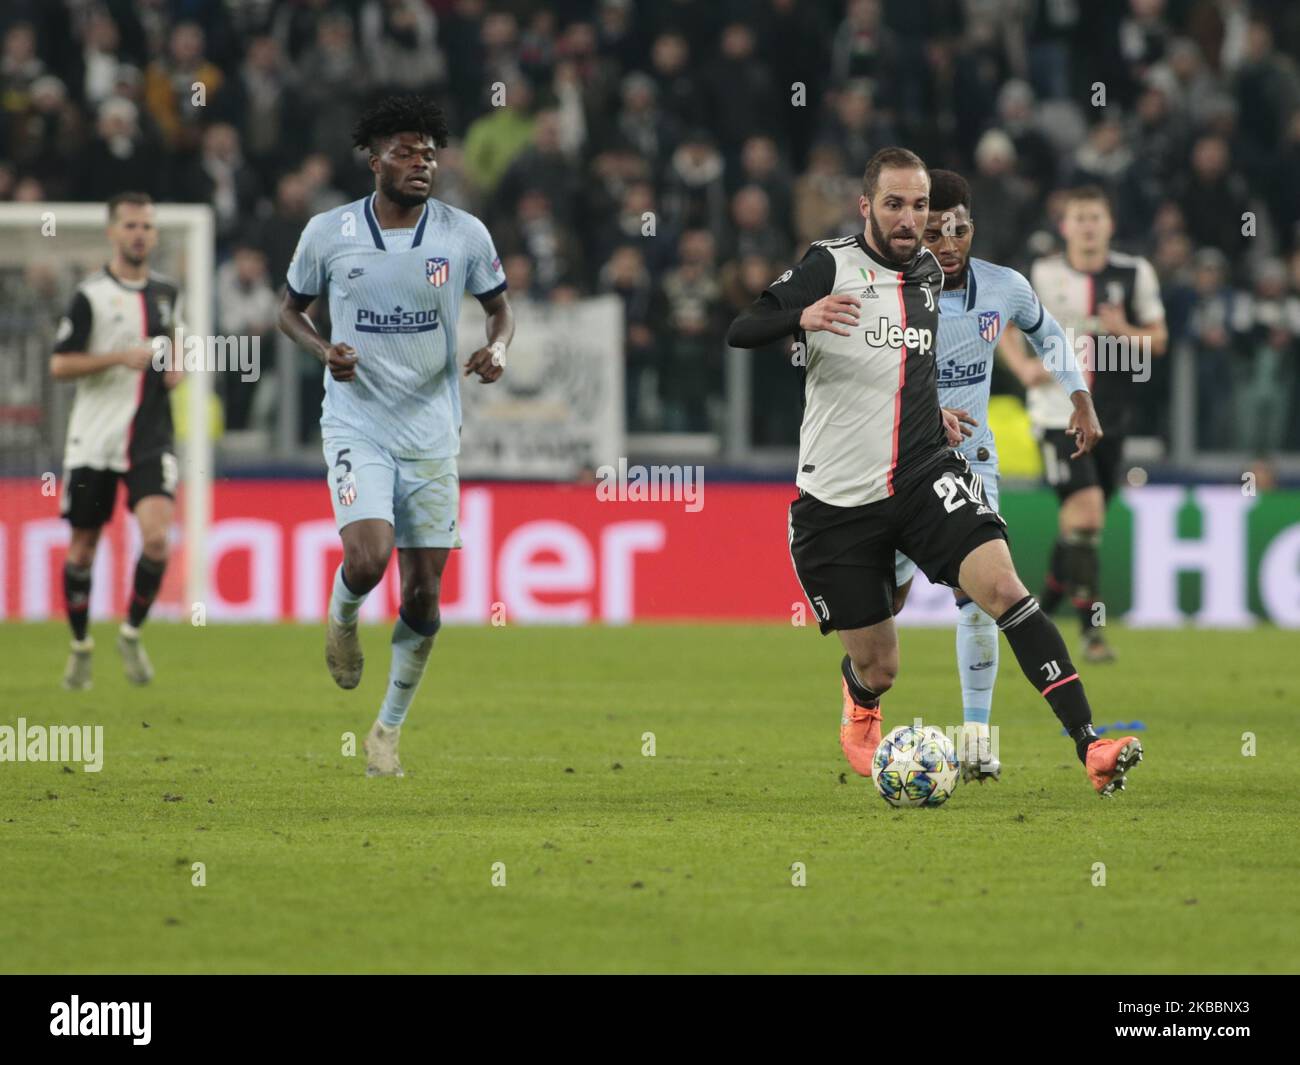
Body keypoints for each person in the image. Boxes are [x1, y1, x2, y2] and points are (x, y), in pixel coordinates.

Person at [726, 147, 1141, 797]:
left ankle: (1090, 743)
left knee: (1000, 588)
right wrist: (799, 317)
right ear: (867, 205)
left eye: (921, 206)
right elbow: (743, 327)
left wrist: (929, 411)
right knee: (881, 661)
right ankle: (862, 694)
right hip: (839, 501)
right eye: (897, 204)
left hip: (924, 473)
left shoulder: (926, 272)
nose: (915, 220)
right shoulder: (829, 264)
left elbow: (911, 355)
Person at [277, 95, 514, 777]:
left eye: (430, 153)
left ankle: (386, 730)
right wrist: (324, 350)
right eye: (406, 152)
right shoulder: (329, 232)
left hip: (433, 432)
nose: (422, 163)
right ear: (373, 158)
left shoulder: (464, 233)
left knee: (421, 596)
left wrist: (497, 351)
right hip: (358, 422)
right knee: (370, 556)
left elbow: (500, 311)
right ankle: (343, 618)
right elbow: (289, 311)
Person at [892, 170, 1097, 782]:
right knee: (884, 607)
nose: (948, 243)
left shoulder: (1004, 287)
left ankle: (976, 739)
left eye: (958, 230)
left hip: (970, 462)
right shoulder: (893, 291)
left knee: (982, 601)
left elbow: (1048, 333)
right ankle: (863, 706)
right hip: (896, 465)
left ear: (971, 228)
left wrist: (1079, 396)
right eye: (935, 232)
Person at [1016, 186, 1167, 663]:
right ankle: (1092, 634)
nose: (1086, 225)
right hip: (1056, 415)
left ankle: (1040, 609)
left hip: (1114, 419)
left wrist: (1124, 331)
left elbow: (1158, 342)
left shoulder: (1134, 273)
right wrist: (1022, 368)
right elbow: (1000, 325)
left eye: (1095, 217)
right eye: (1078, 217)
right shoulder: (1042, 272)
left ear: (1109, 224)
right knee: (1086, 515)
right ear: (1064, 226)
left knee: (1081, 528)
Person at [51, 191, 182, 690]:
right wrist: (117, 358)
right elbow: (60, 364)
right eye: (130, 226)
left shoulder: (168, 292)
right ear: (112, 231)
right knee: (83, 550)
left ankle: (130, 632)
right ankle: (81, 645)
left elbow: (176, 340)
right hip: (95, 441)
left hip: (150, 438)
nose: (139, 234)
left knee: (155, 540)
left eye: (146, 226)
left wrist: (179, 364)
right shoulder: (89, 296)